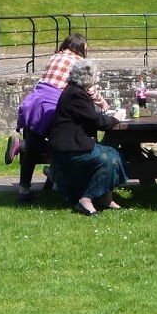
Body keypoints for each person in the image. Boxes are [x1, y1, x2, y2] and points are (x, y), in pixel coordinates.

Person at [7, 33, 110, 203]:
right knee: (66, 141)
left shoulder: (55, 57)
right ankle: (62, 180)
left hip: (34, 101)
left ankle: (24, 190)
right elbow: (89, 88)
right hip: (52, 105)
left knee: (32, 149)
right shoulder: (77, 62)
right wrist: (103, 105)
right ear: (79, 48)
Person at [45, 59, 128, 216]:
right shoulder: (76, 94)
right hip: (70, 149)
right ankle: (86, 199)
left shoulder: (74, 91)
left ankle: (105, 197)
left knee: (113, 153)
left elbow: (88, 118)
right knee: (111, 159)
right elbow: (96, 122)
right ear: (89, 77)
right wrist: (116, 118)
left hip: (73, 144)